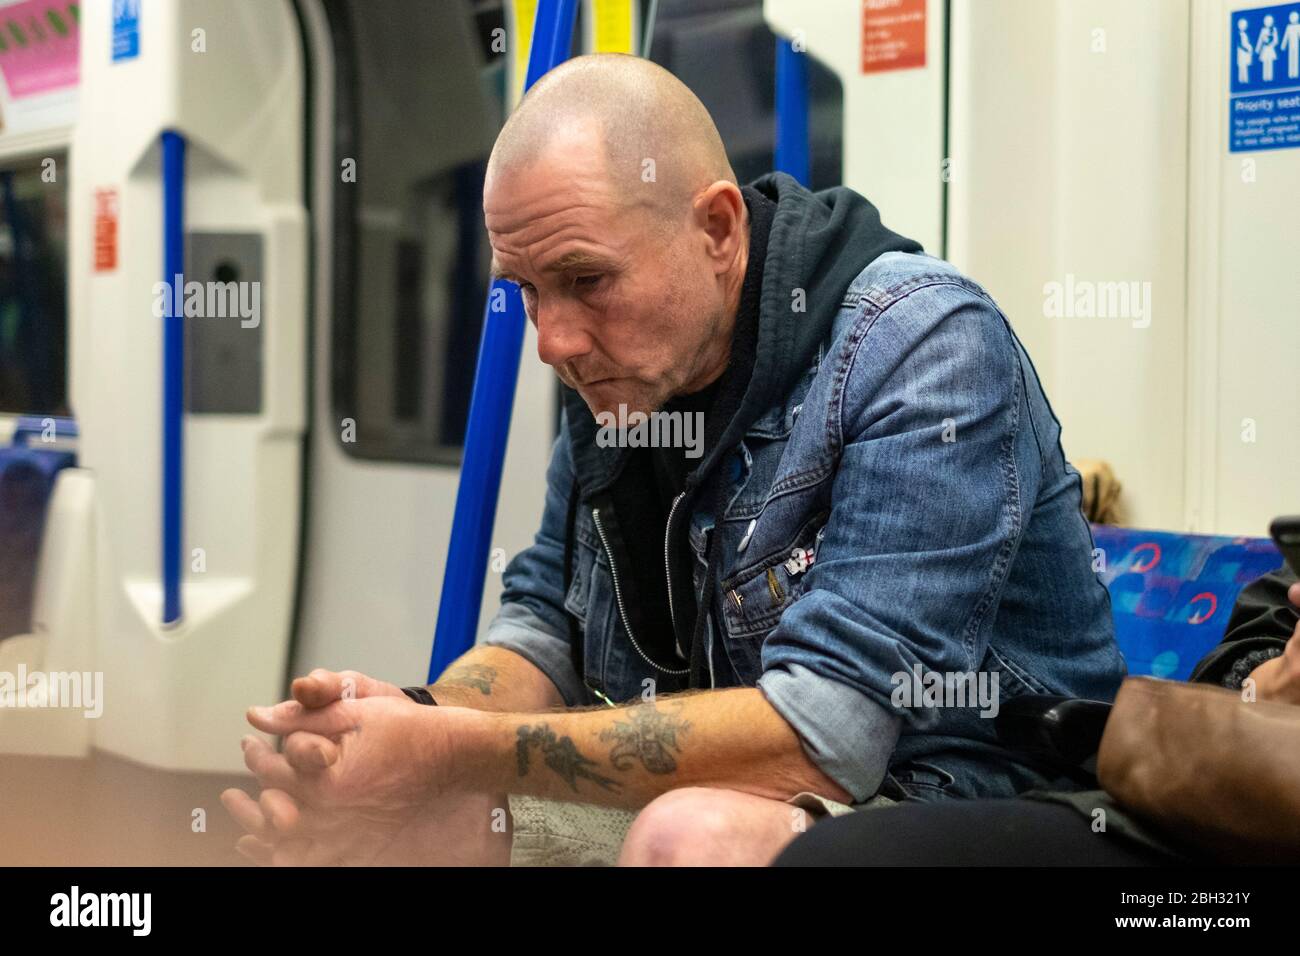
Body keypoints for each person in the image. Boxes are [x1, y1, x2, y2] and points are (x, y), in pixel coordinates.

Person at [223, 53, 1125, 867]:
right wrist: (403, 725)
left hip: (969, 803)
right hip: (739, 791)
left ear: (719, 230)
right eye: (528, 291)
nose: (554, 340)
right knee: (426, 826)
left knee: (684, 837)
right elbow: (549, 625)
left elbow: (825, 733)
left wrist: (443, 752)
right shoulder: (620, 374)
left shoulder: (921, 347)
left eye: (586, 279)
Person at [774, 563, 1300, 865]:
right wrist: (1272, 681)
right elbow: (1243, 668)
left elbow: (836, 728)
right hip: (1230, 808)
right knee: (848, 857)